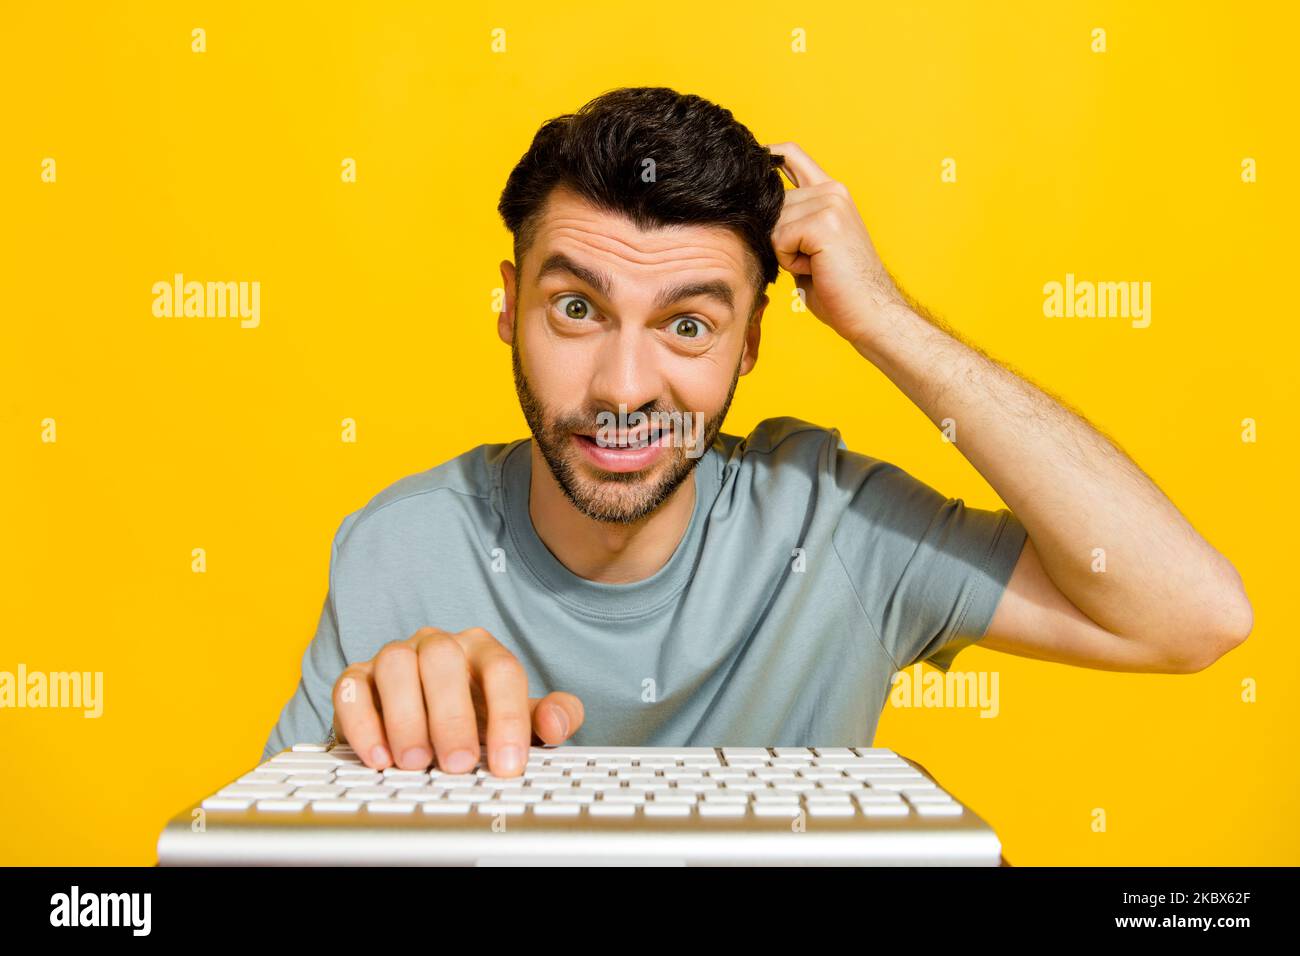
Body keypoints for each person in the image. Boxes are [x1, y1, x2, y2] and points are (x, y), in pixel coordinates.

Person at [263, 87, 1252, 778]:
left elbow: (1191, 613)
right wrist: (370, 762)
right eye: (575, 309)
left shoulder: (834, 526)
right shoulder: (397, 547)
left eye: (687, 323)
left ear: (749, 344)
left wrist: (882, 318)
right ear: (510, 302)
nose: (622, 386)